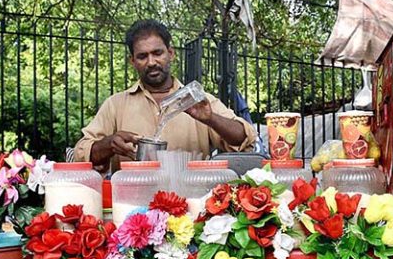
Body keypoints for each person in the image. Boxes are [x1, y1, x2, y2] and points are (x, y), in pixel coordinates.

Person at [74, 20, 257, 171]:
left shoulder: (199, 102)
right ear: (133, 61)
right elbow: (79, 155)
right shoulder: (116, 105)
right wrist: (109, 144)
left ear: (170, 54)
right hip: (133, 207)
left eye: (157, 53)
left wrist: (211, 118)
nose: (151, 62)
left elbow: (244, 139)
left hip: (189, 206)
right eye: (142, 56)